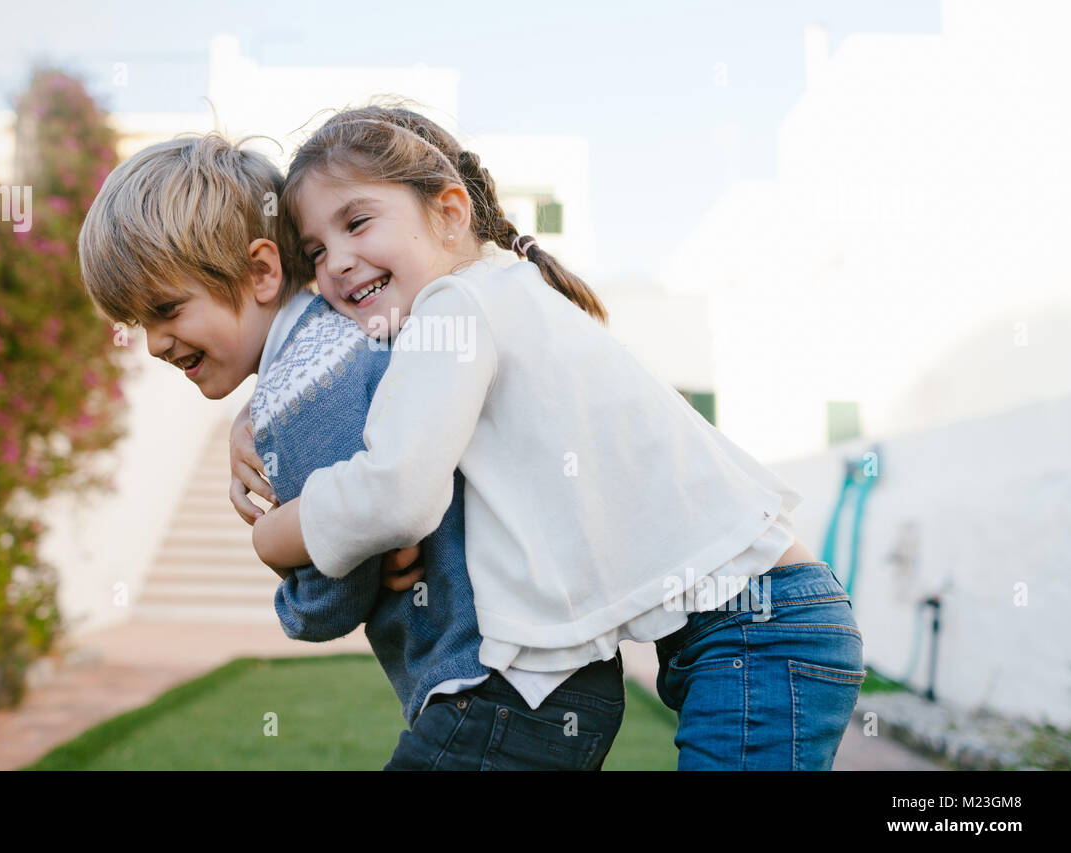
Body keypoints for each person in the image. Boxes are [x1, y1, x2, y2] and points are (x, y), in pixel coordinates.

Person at [250, 105, 867, 770]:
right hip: (762, 619)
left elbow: (397, 490)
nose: (336, 263)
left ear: (451, 212)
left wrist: (276, 531)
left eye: (358, 222)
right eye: (314, 252)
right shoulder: (500, 293)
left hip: (759, 629)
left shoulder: (455, 309)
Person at [77, 132, 623, 769]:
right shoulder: (360, 331)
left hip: (491, 683)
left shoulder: (298, 394)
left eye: (166, 310)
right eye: (140, 322)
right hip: (552, 669)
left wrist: (294, 593)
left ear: (261, 271)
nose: (153, 344)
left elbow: (335, 597)